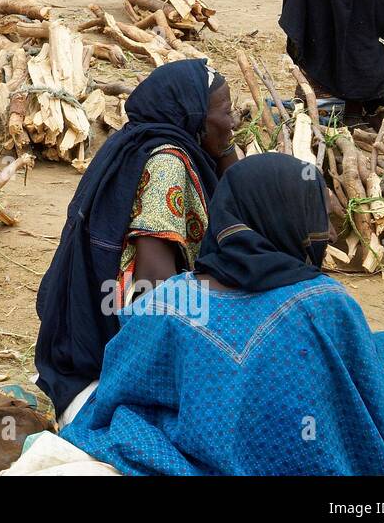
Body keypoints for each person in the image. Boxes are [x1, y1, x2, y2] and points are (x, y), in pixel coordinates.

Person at [62, 154, 384, 476]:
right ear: (290, 221)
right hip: (304, 454)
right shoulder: (324, 302)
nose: (327, 233)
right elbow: (361, 386)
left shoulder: (164, 304)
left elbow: (113, 396)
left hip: (192, 454)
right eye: (319, 218)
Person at [35, 59, 237, 425]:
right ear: (192, 116)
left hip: (82, 338)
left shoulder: (138, 140)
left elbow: (235, 200)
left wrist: (222, 148)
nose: (234, 121)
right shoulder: (168, 164)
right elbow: (154, 286)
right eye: (226, 111)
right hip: (120, 348)